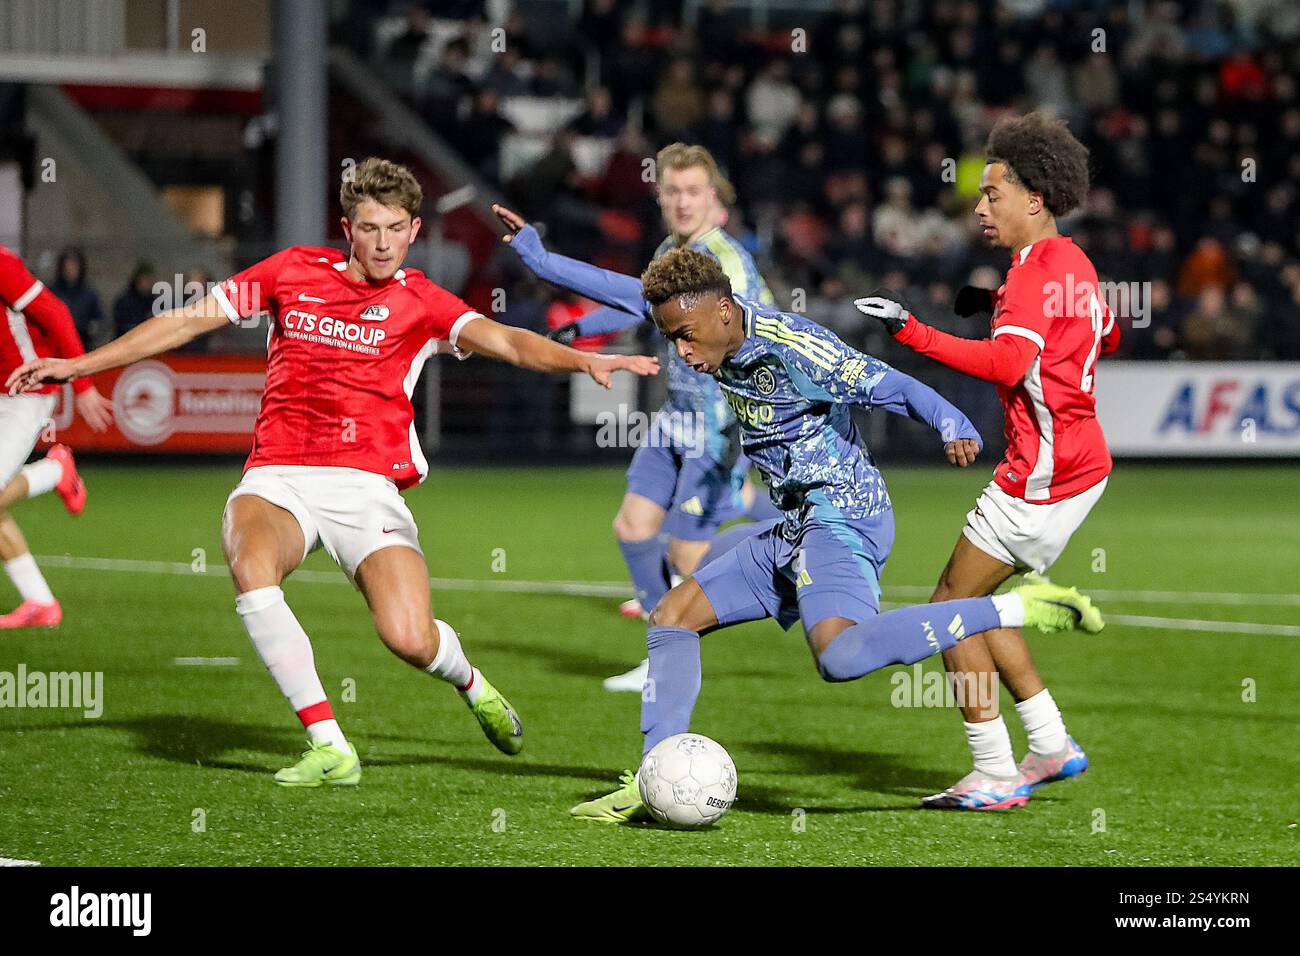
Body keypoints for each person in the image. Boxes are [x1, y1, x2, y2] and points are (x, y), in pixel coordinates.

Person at [8, 157, 658, 787]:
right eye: (368, 228)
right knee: (250, 564)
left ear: (413, 230)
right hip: (279, 475)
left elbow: (510, 341)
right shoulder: (290, 271)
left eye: (395, 229)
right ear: (347, 229)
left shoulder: (421, 301)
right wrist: (80, 364)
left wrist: (584, 363)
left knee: (407, 637)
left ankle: (469, 680)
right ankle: (328, 742)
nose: (382, 244)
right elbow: (187, 319)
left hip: (365, 485)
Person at [557, 248, 1104, 823]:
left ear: (724, 310)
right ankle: (651, 780)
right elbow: (617, 291)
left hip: (844, 518)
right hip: (793, 523)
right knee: (671, 618)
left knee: (839, 658)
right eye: (672, 339)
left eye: (687, 336)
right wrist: (542, 261)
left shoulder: (793, 345)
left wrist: (950, 421)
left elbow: (883, 382)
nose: (682, 352)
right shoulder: (712, 339)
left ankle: (1011, 610)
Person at [854, 112, 1121, 809]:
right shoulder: (1075, 263)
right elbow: (1106, 334)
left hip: (1039, 476)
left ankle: (995, 772)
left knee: (949, 608)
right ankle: (1051, 744)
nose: (979, 206)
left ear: (1035, 198)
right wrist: (999, 303)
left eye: (992, 193)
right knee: (986, 607)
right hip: (1081, 467)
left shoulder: (1035, 273)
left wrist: (911, 331)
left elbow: (1007, 361)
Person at [495, 143, 780, 694]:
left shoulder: (723, 261)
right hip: (676, 418)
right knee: (632, 527)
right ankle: (665, 640)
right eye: (671, 191)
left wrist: (547, 263)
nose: (681, 201)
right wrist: (581, 330)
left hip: (719, 425)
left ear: (714, 199)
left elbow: (637, 293)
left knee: (685, 556)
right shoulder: (673, 250)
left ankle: (785, 543)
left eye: (693, 191)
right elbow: (641, 302)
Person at [0, 245, 113, 628]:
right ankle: (40, 602)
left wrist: (82, 387)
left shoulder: (1, 263)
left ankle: (53, 472)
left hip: (25, 392)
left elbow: (56, 312)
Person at [48, 247, 104, 347]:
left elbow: (98, 321)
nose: (70, 271)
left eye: (74, 268)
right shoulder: (51, 293)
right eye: (67, 268)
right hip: (57, 345)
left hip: (83, 344)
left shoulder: (90, 294)